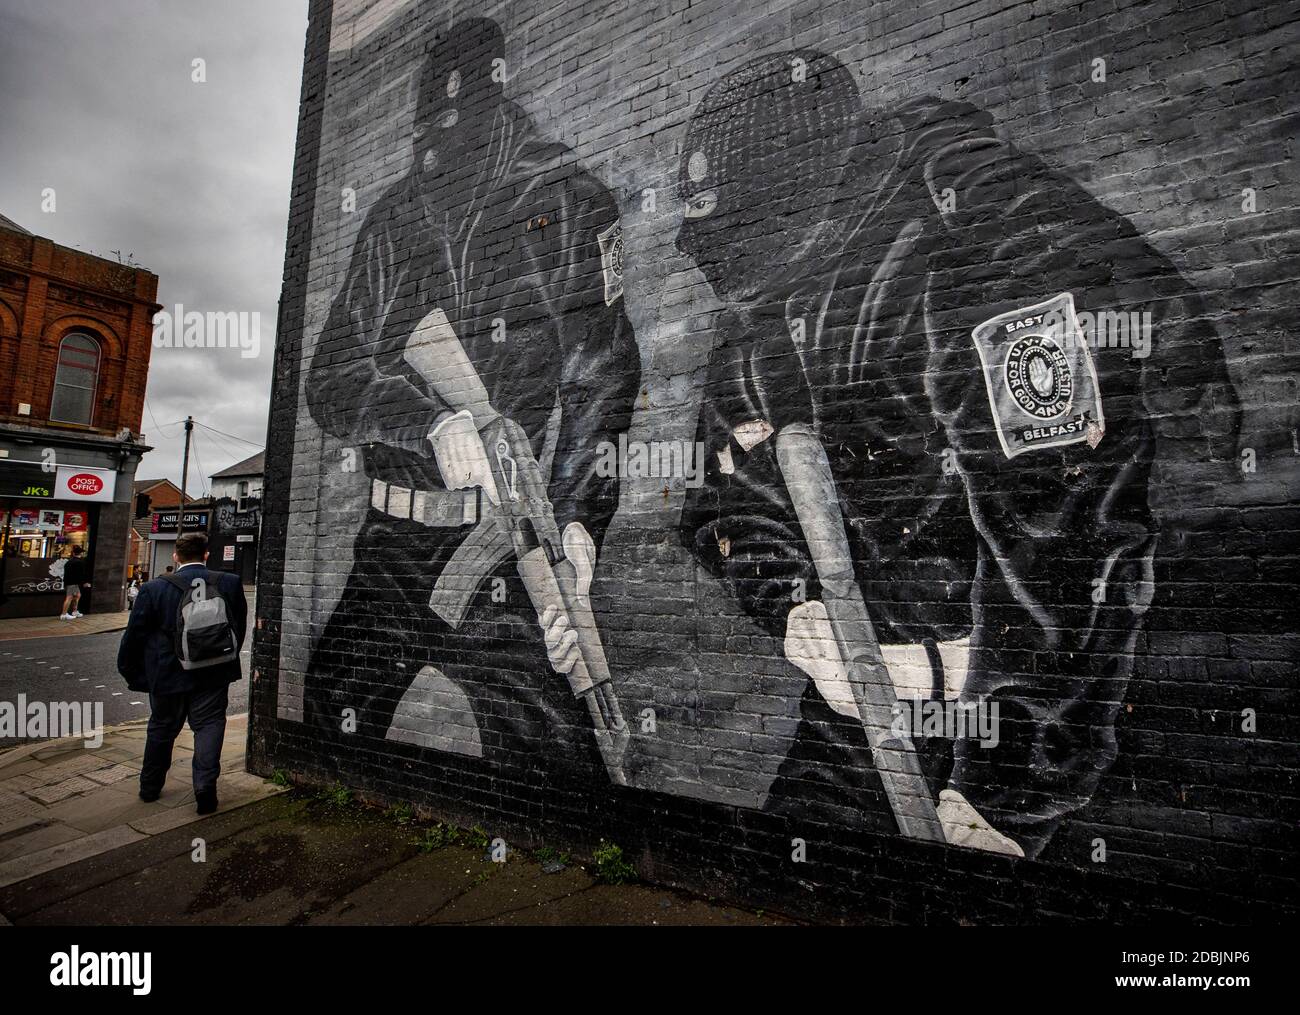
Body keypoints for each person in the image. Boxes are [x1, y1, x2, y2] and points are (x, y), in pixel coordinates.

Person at [675, 51, 1238, 858]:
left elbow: (1072, 530)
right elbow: (723, 494)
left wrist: (1007, 794)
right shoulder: (765, 309)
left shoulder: (988, 246)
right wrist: (794, 605)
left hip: (1066, 690)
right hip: (884, 691)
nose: (718, 271)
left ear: (801, 201)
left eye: (737, 234)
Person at [302, 17, 638, 783]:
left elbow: (603, 375)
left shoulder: (571, 202)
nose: (437, 147)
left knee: (559, 758)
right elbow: (331, 378)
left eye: (455, 126)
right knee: (328, 720)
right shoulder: (395, 218)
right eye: (432, 130)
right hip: (391, 545)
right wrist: (432, 421)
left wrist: (580, 518)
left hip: (503, 539)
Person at [116, 531, 248, 814]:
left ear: (175, 556)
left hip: (166, 675)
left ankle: (150, 787)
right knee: (209, 726)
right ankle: (204, 790)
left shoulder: (153, 589)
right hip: (213, 673)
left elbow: (134, 636)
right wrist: (224, 659)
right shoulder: (229, 582)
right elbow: (238, 628)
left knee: (162, 728)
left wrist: (132, 672)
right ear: (206, 555)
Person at [59, 545, 90, 620]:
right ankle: (64, 614)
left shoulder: (69, 562)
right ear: (81, 554)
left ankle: (75, 611)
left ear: (73, 553)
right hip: (73, 583)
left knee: (78, 595)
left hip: (69, 582)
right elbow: (81, 574)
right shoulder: (79, 562)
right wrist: (84, 582)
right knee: (69, 597)